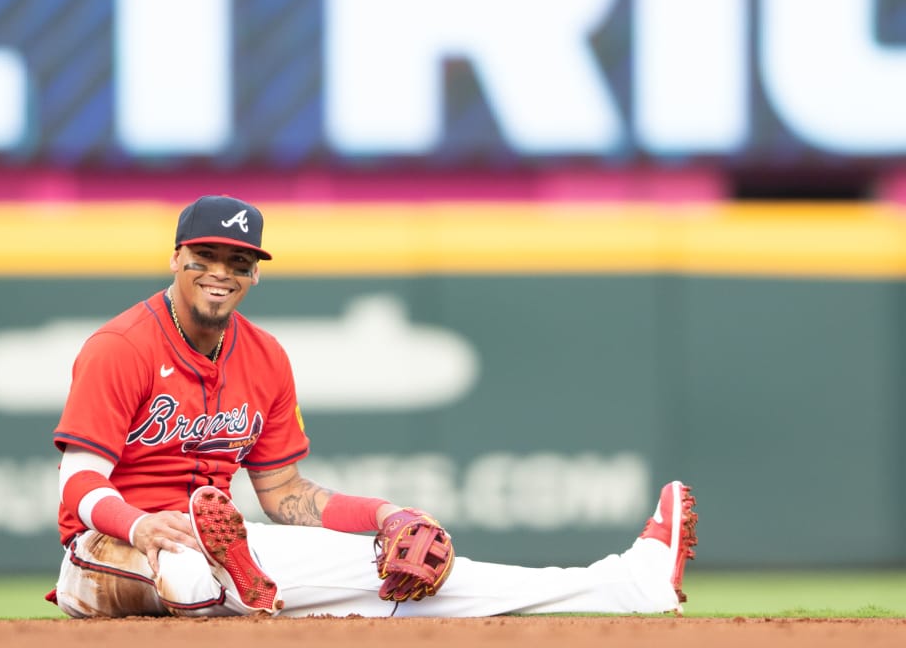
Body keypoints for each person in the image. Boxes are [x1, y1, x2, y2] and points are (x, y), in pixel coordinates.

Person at [50, 194, 699, 618]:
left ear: (255, 274)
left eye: (238, 261)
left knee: (404, 580)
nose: (221, 271)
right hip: (110, 547)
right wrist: (139, 525)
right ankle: (240, 588)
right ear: (176, 257)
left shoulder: (266, 357)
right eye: (206, 256)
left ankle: (626, 583)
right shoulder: (121, 346)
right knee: (188, 578)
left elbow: (283, 494)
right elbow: (79, 481)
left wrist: (386, 516)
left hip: (222, 545)